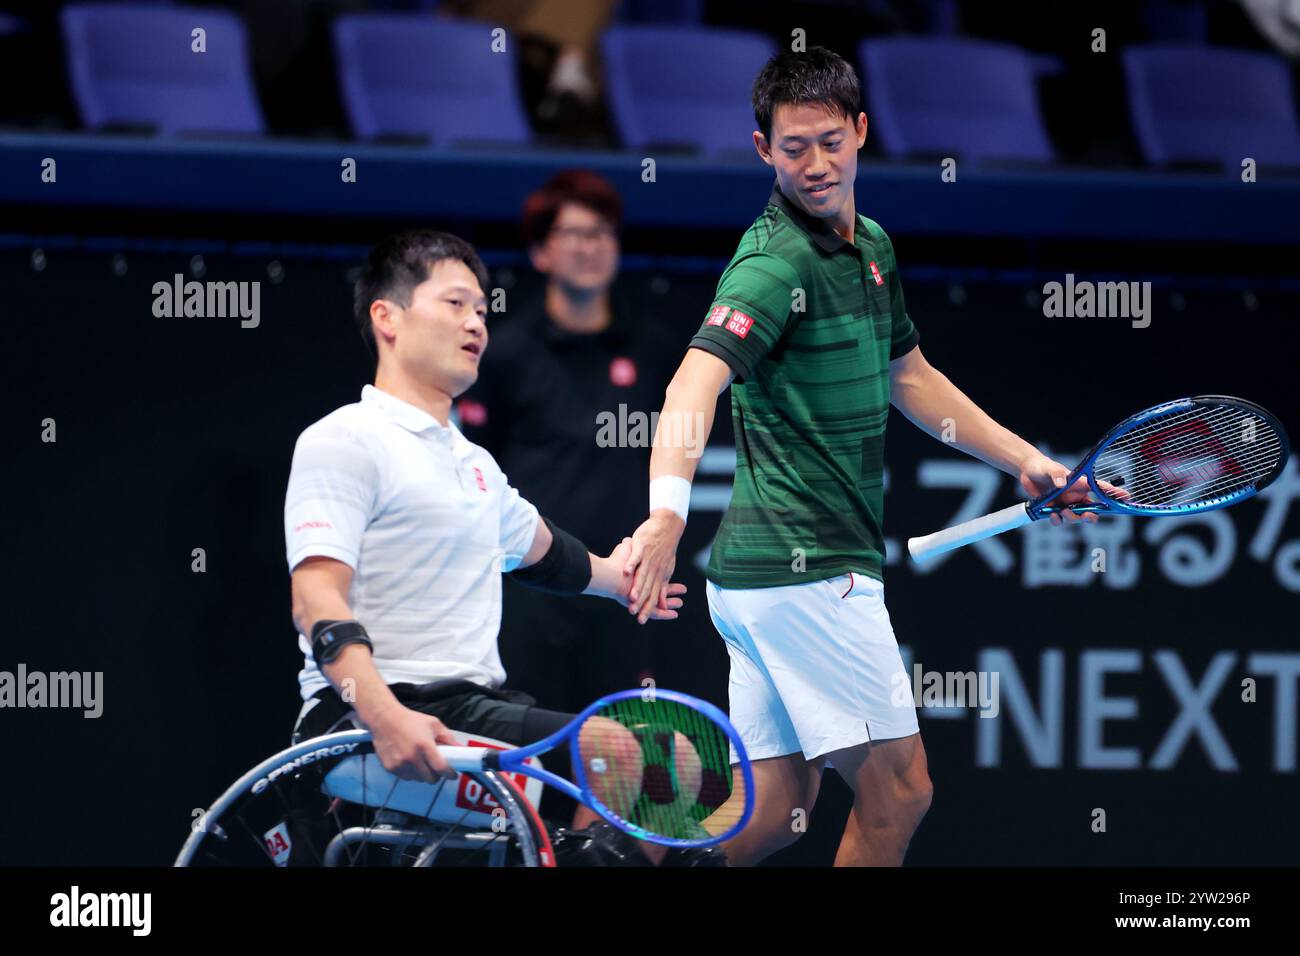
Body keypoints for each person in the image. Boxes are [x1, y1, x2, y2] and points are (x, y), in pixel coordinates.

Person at [622, 47, 1121, 866]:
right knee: (900, 790)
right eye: (792, 148)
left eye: (829, 142)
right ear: (762, 151)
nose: (815, 166)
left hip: (760, 582)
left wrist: (1025, 460)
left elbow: (908, 376)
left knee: (776, 805)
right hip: (805, 569)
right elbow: (690, 386)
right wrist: (666, 516)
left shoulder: (874, 247)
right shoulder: (772, 262)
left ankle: (610, 861)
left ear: (860, 130)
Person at [283, 229, 689, 864]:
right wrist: (384, 716)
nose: (476, 322)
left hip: (473, 715)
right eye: (454, 304)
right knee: (632, 755)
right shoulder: (343, 441)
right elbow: (314, 599)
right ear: (386, 317)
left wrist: (627, 577)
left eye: (482, 309)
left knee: (669, 761)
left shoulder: (474, 466)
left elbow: (549, 555)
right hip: (363, 720)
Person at [457, 169, 679, 714]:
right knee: (527, 770)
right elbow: (474, 470)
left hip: (628, 589)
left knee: (621, 767)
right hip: (530, 593)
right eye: (573, 234)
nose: (589, 247)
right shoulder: (504, 355)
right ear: (541, 252)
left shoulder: (655, 348)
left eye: (601, 233)